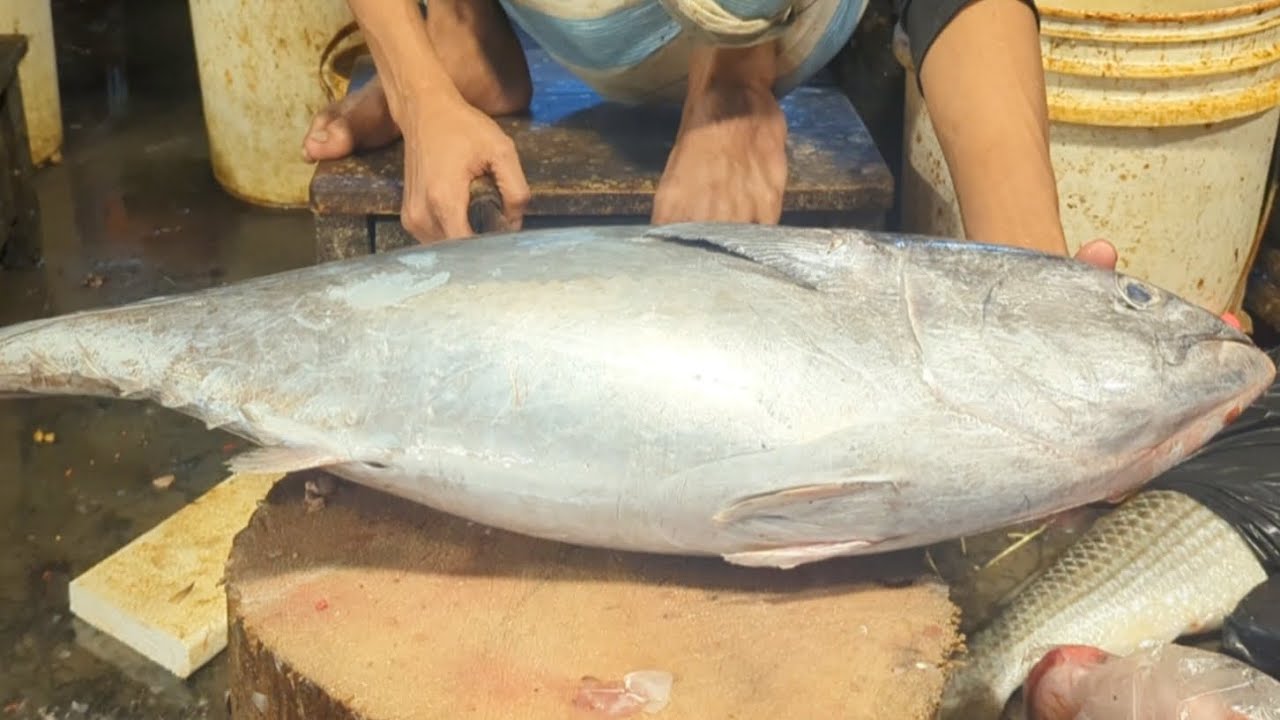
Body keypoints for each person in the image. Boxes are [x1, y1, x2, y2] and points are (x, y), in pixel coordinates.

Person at [301, 0, 1115, 265]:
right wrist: (419, 91)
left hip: (792, 15)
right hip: (566, 16)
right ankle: (460, 35)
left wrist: (734, 65)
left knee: (1032, 275)